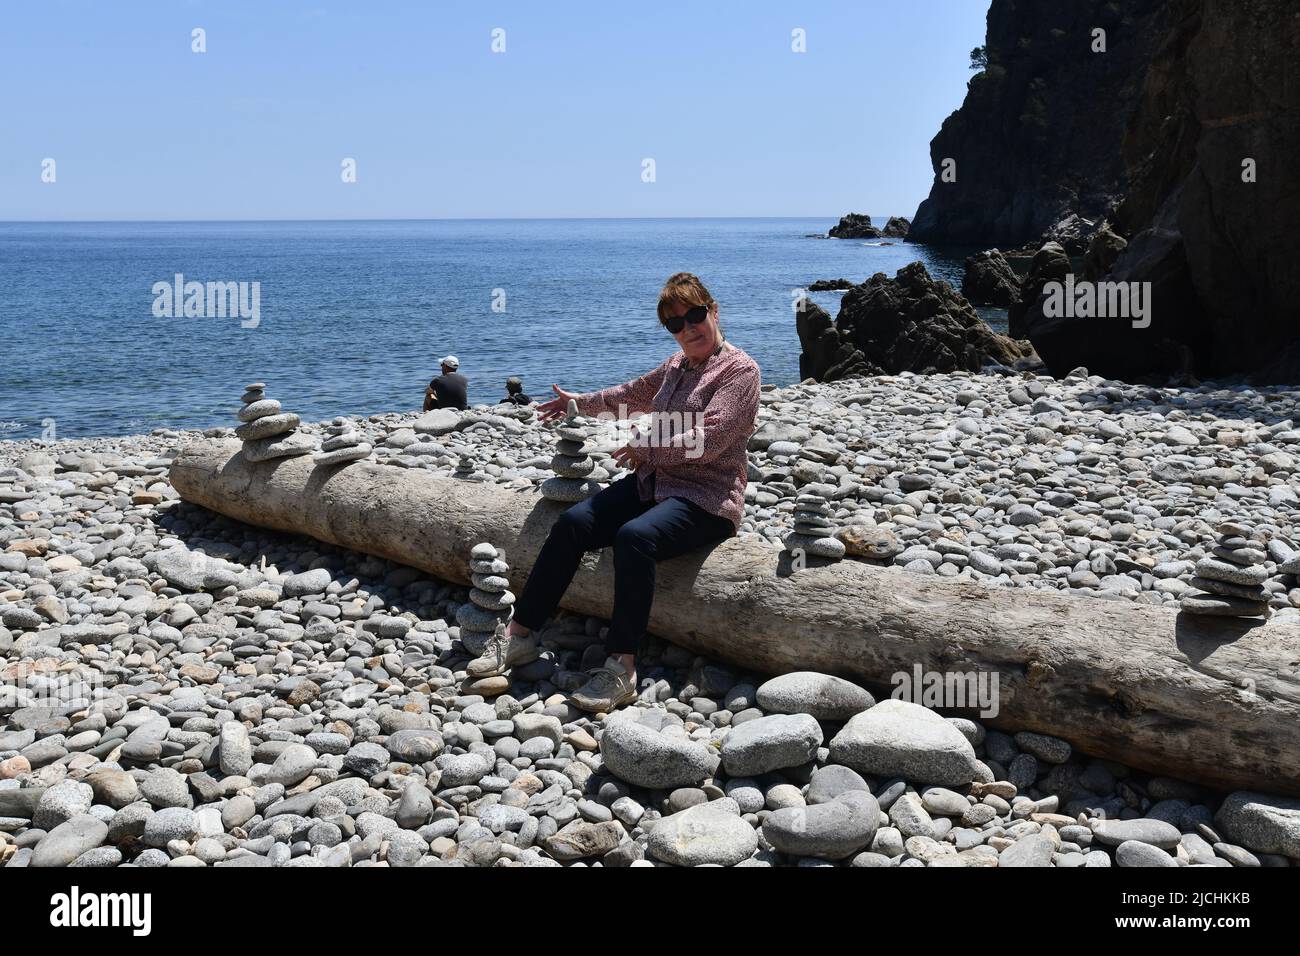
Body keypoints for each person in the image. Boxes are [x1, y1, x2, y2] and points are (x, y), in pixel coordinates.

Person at [466, 273, 762, 712]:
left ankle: (623, 666)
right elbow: (633, 393)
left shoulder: (741, 371)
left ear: (714, 312)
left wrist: (646, 446)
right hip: (654, 483)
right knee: (573, 523)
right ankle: (520, 636)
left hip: (707, 497)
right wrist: (578, 402)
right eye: (675, 324)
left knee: (634, 538)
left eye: (695, 316)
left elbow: (711, 437)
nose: (688, 329)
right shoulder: (677, 366)